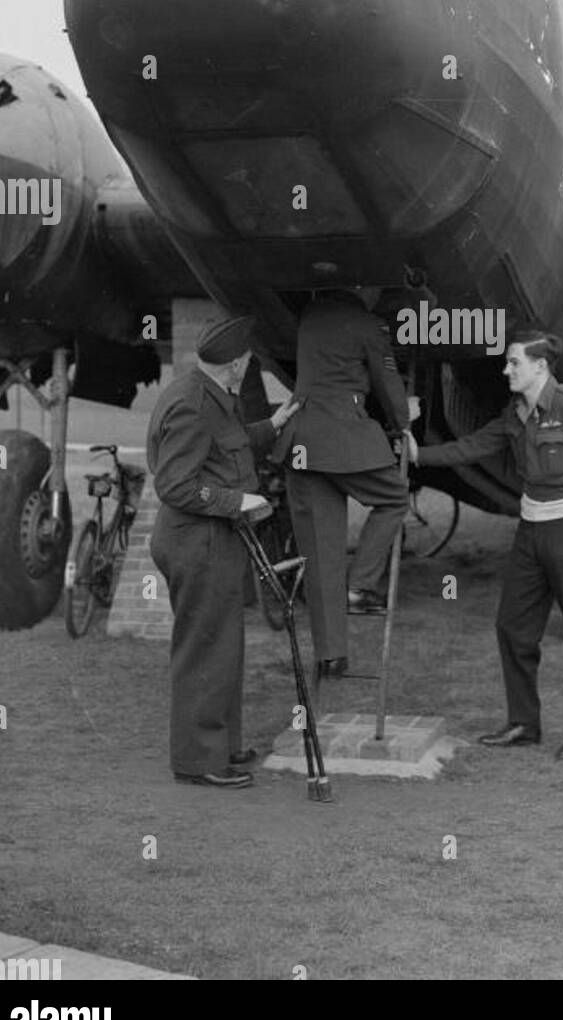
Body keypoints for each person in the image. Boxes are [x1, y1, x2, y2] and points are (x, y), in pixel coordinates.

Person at [405, 331, 563, 759]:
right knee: (512, 626)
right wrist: (419, 457)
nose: (506, 370)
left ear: (539, 366)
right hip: (530, 530)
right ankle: (524, 723)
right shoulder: (515, 413)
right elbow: (473, 446)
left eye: (514, 363)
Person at [147, 314, 297, 789]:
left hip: (215, 540)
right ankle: (199, 761)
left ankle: (224, 744)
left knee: (224, 646)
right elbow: (175, 484)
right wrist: (240, 500)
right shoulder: (191, 404)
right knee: (204, 648)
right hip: (197, 541)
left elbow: (225, 446)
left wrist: (271, 425)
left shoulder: (210, 391)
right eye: (247, 362)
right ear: (235, 366)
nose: (248, 366)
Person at [276, 288, 410, 680]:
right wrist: (404, 423)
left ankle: (331, 655)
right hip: (342, 438)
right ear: (363, 291)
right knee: (393, 499)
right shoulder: (369, 325)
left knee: (319, 550)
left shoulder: (309, 319)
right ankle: (361, 586)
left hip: (301, 441)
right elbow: (386, 382)